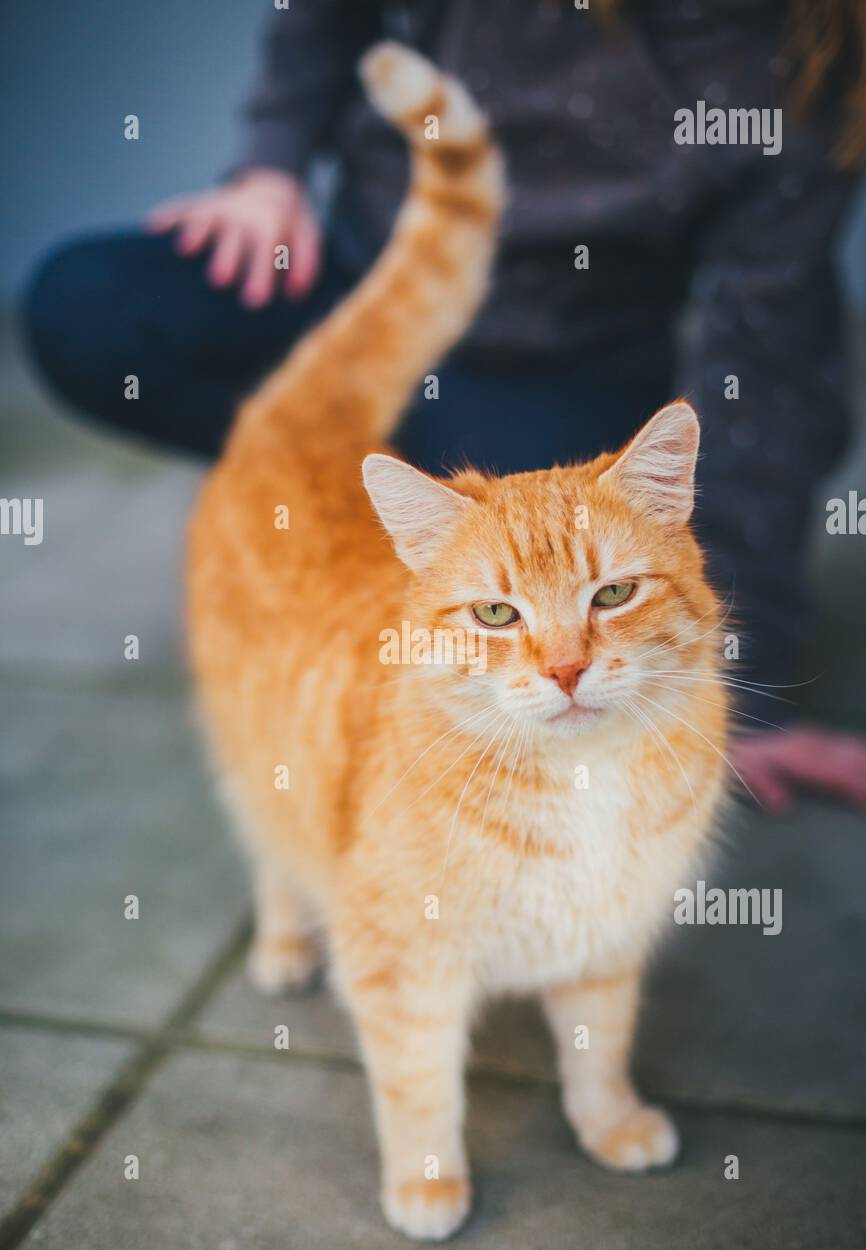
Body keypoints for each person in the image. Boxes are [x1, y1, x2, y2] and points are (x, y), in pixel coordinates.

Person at [23, 0, 866, 810]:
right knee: (91, 307)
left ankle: (409, 535)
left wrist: (739, 694)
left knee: (548, 585)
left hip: (555, 368)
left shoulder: (807, 62)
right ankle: (364, 519)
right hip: (370, 285)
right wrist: (268, 167)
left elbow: (765, 374)